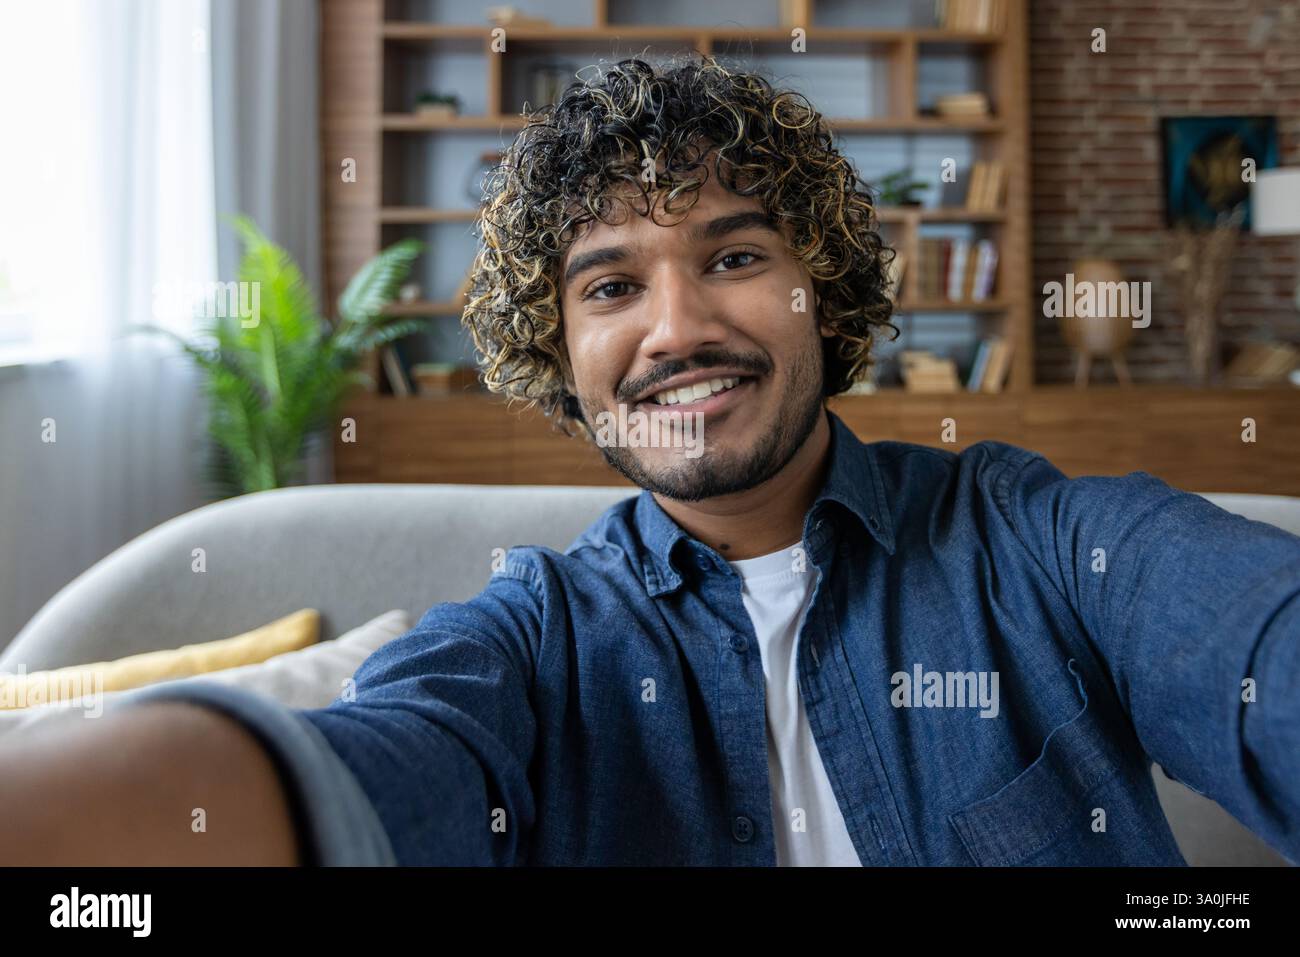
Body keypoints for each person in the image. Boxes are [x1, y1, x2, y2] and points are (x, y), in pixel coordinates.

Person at [2, 56, 1297, 866]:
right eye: (612, 283)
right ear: (560, 352)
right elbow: (361, 772)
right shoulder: (528, 639)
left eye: (735, 257)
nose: (678, 327)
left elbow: (1255, 642)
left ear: (821, 297)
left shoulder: (1041, 544)